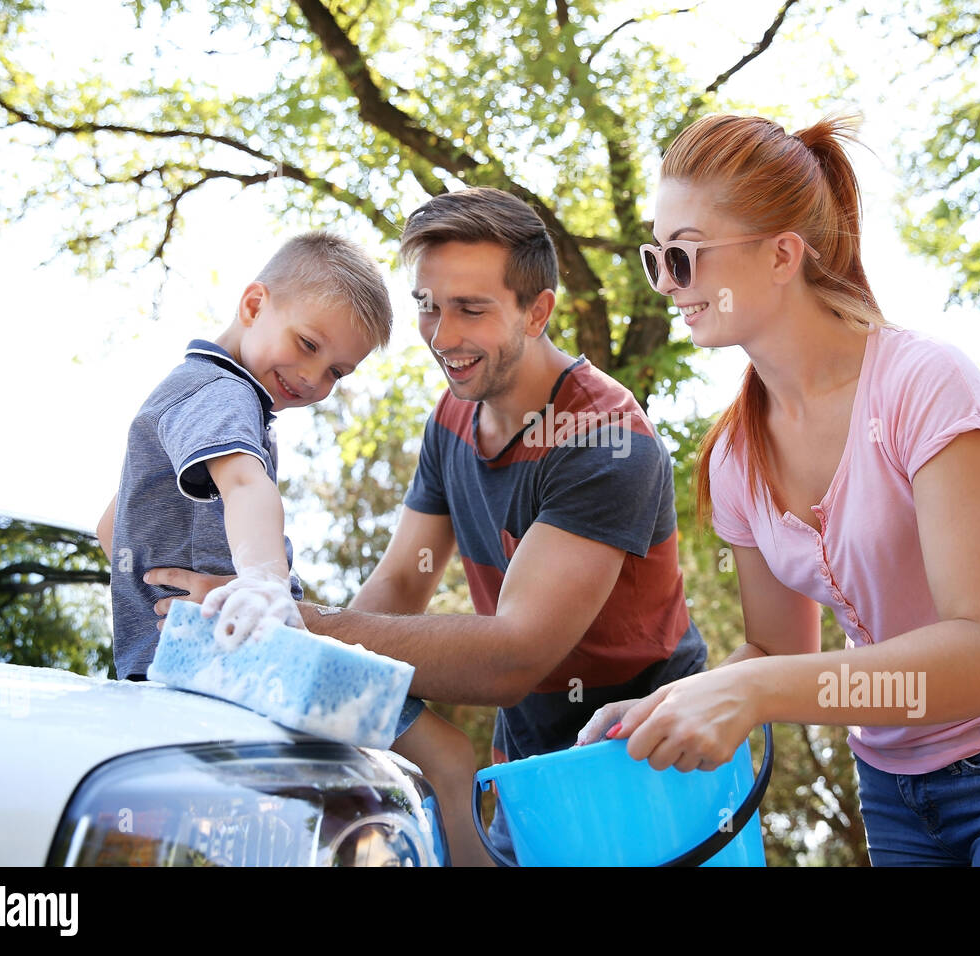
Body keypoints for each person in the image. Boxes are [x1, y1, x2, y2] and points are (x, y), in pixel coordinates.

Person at [578, 113, 980, 866]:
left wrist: (753, 695)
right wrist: (672, 704)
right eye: (656, 260)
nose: (665, 286)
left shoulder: (924, 386)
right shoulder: (732, 456)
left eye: (683, 258)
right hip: (893, 794)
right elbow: (778, 648)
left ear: (783, 255)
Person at [143, 187, 709, 864]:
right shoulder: (451, 419)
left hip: (646, 773)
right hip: (525, 775)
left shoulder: (606, 442)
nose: (442, 337)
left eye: (470, 310)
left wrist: (284, 617)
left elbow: (514, 658)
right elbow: (397, 589)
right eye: (427, 307)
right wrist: (299, 672)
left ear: (538, 312)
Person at [94, 231, 491, 866]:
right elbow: (248, 485)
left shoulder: (187, 392)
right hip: (234, 652)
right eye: (308, 345)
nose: (312, 377)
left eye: (336, 370)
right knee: (450, 756)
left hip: (195, 657)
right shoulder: (221, 393)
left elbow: (112, 524)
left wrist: (156, 598)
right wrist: (261, 584)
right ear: (254, 305)